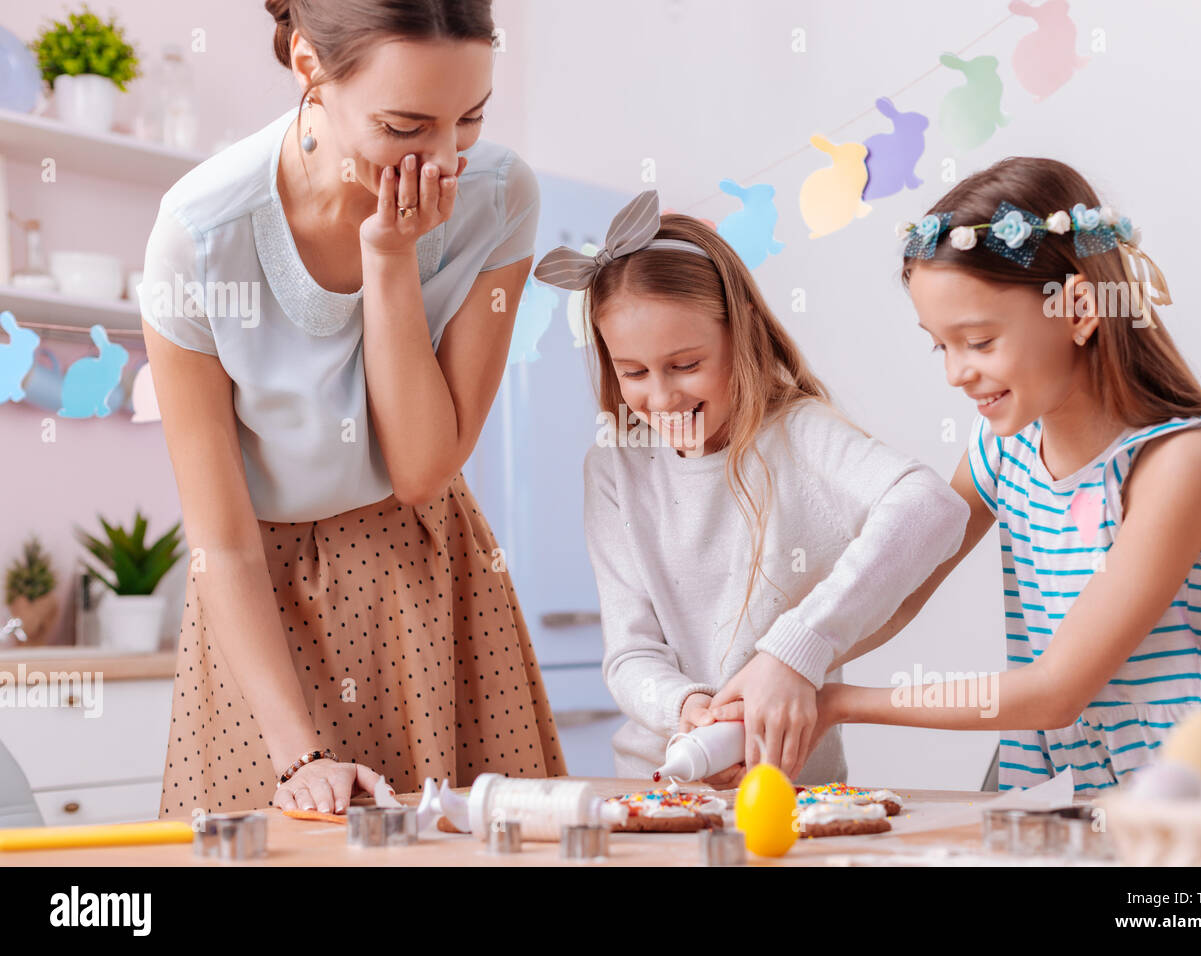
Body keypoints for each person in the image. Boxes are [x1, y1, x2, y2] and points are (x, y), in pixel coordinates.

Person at [140, 0, 565, 819]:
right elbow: (221, 541)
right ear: (309, 67)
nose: (443, 159)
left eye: (469, 118)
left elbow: (420, 469)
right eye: (406, 126)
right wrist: (298, 753)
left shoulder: (499, 196)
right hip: (257, 601)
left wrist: (392, 256)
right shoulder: (199, 235)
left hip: (426, 572)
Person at [813, 157, 1201, 792]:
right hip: (1072, 797)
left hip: (1195, 803)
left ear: (1078, 309)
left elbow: (1056, 691)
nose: (956, 373)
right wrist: (789, 663)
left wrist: (837, 703)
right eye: (941, 345)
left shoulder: (1182, 465)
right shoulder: (1003, 450)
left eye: (980, 342)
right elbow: (899, 590)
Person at [534, 190, 969, 785]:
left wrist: (796, 648)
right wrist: (690, 712)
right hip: (657, 778)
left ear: (741, 336)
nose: (660, 399)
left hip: (790, 787)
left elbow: (931, 507)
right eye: (633, 372)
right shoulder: (613, 467)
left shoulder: (799, 435)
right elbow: (631, 653)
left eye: (686, 365)